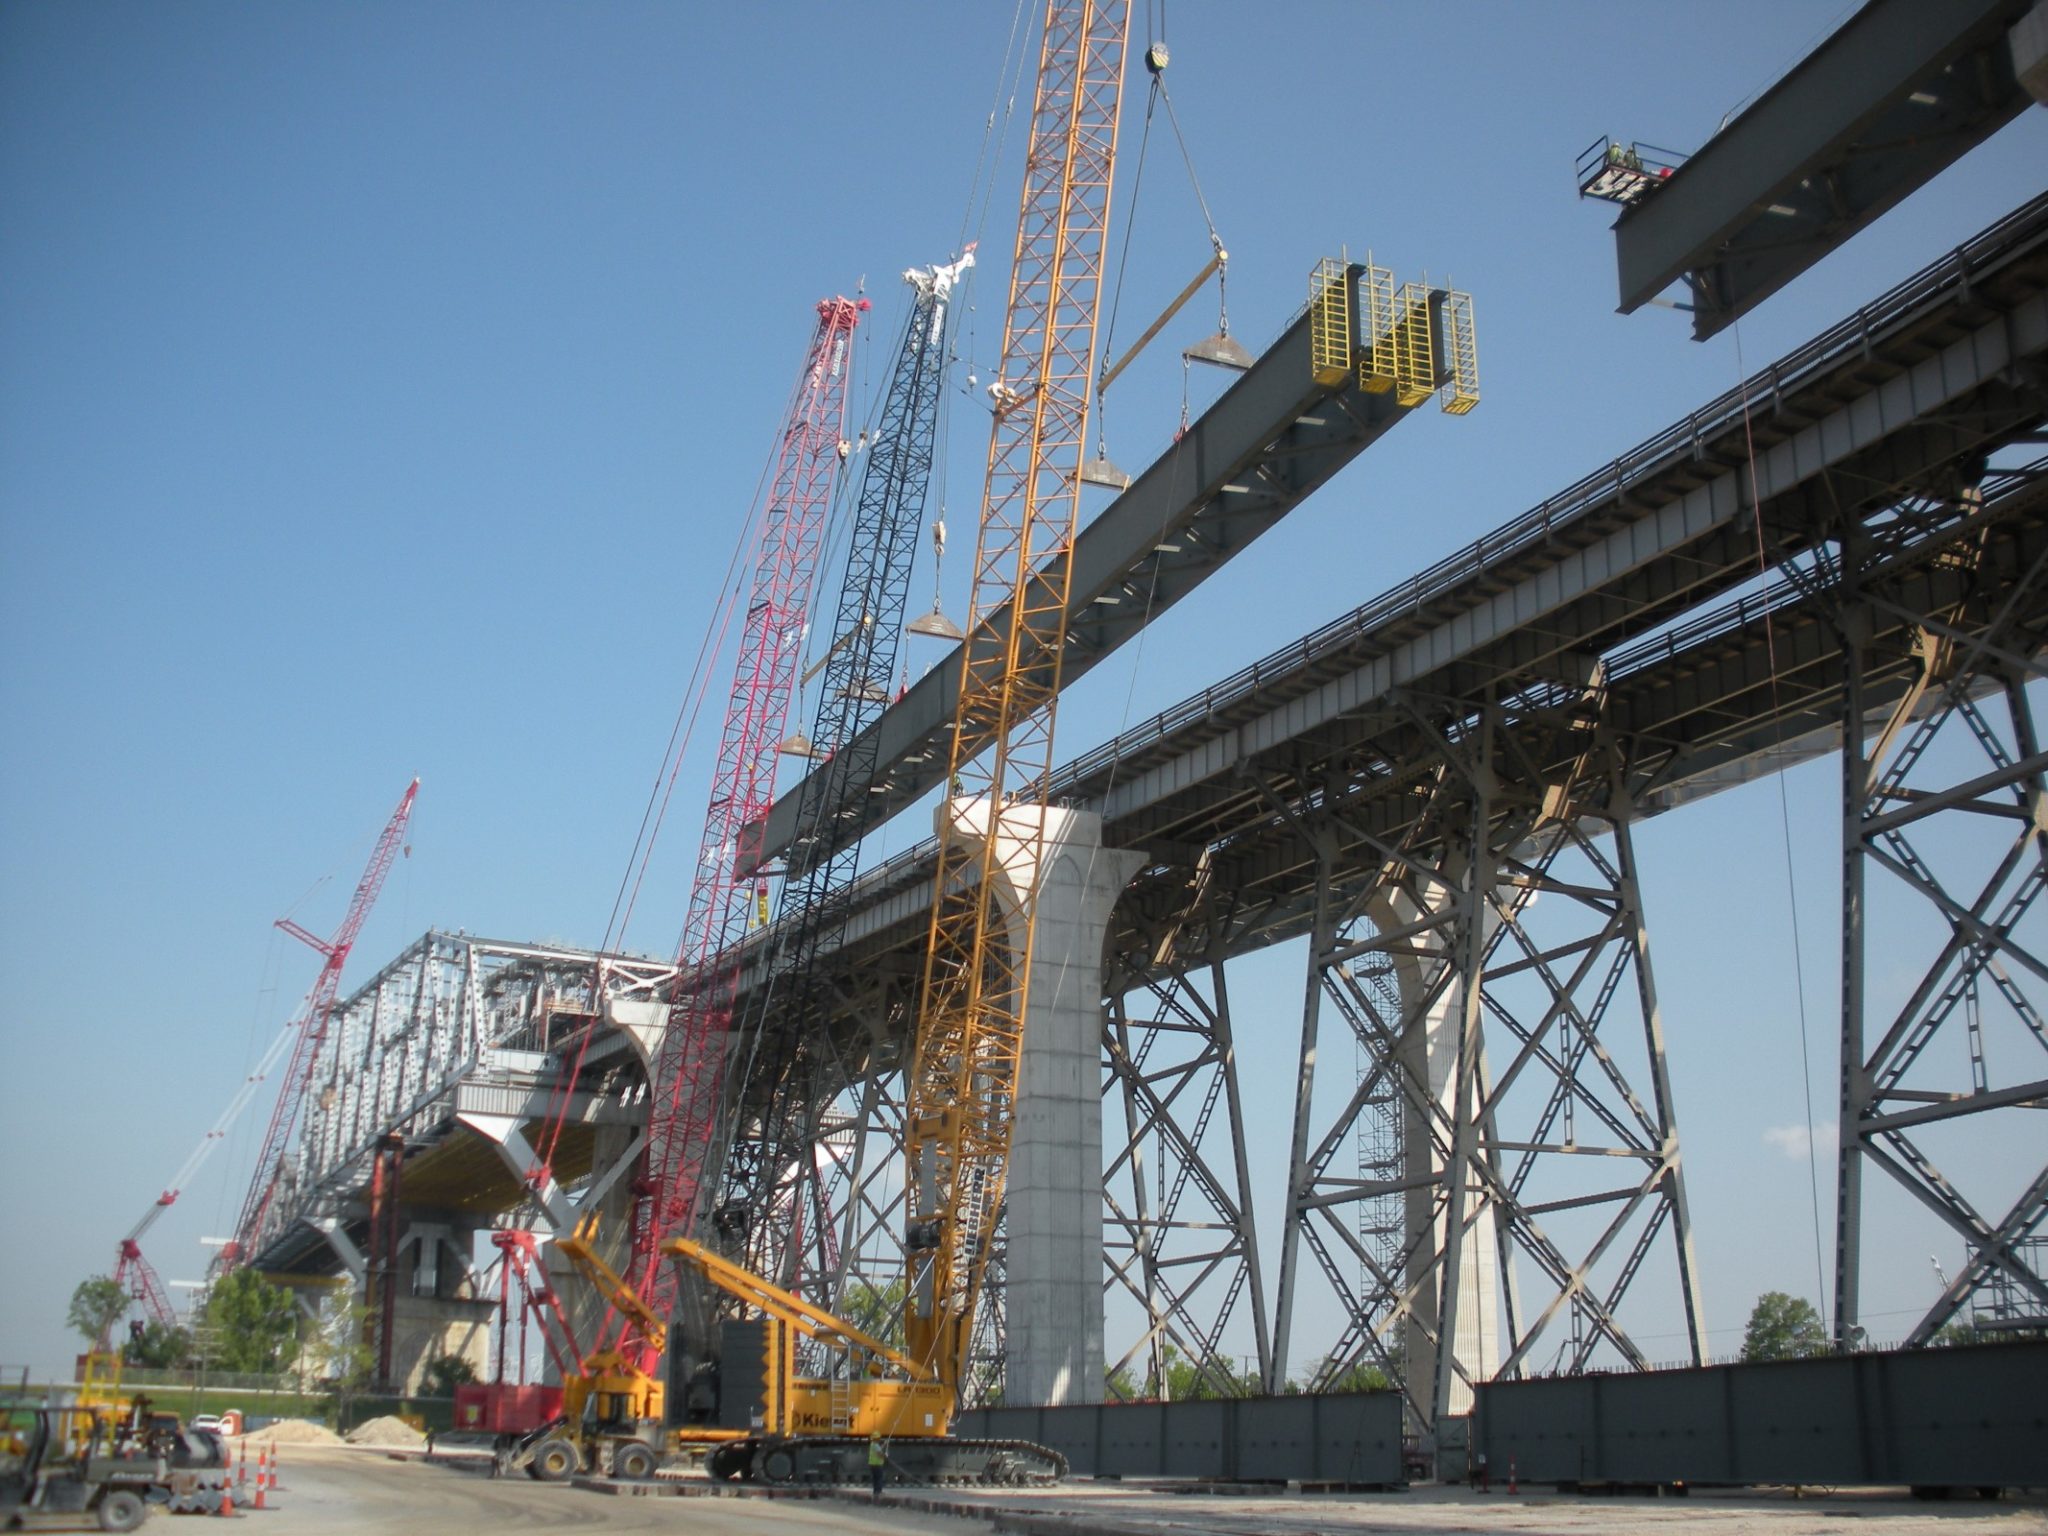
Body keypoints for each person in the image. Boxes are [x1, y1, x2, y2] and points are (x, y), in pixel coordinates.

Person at [867, 1431, 887, 1498]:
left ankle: (875, 1492)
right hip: (877, 1465)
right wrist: (885, 1456)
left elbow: (879, 1449)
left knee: (875, 1478)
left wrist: (884, 1444)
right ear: (877, 1438)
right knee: (879, 1478)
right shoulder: (875, 1445)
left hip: (872, 1464)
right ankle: (879, 1492)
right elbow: (879, 1454)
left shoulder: (873, 1444)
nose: (879, 1439)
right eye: (878, 1438)